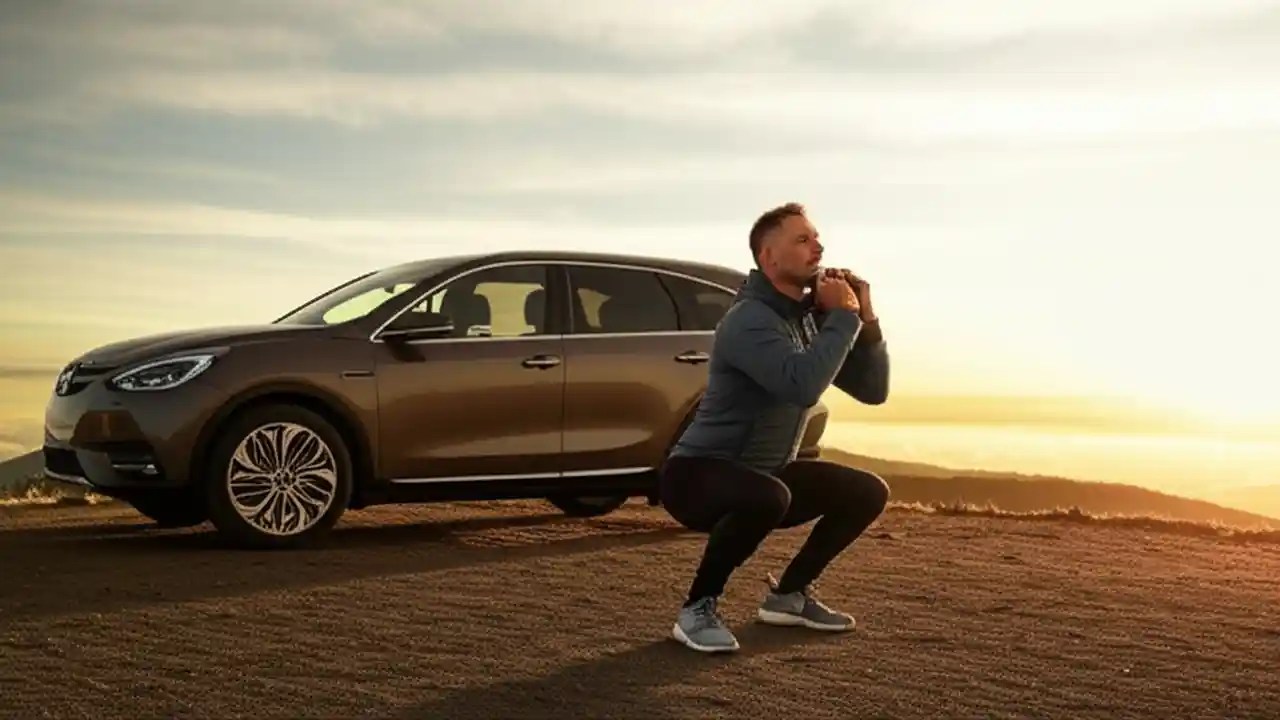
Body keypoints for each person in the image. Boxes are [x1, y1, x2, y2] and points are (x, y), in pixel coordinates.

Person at [661, 202, 891, 653]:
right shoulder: (749, 320)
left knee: (868, 491)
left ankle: (788, 596)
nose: (818, 247)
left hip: (764, 474)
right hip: (696, 476)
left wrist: (865, 320)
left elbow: (873, 390)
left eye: (817, 238)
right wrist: (841, 319)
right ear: (769, 258)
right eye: (802, 239)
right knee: (769, 495)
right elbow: (802, 385)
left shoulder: (805, 321)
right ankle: (696, 609)